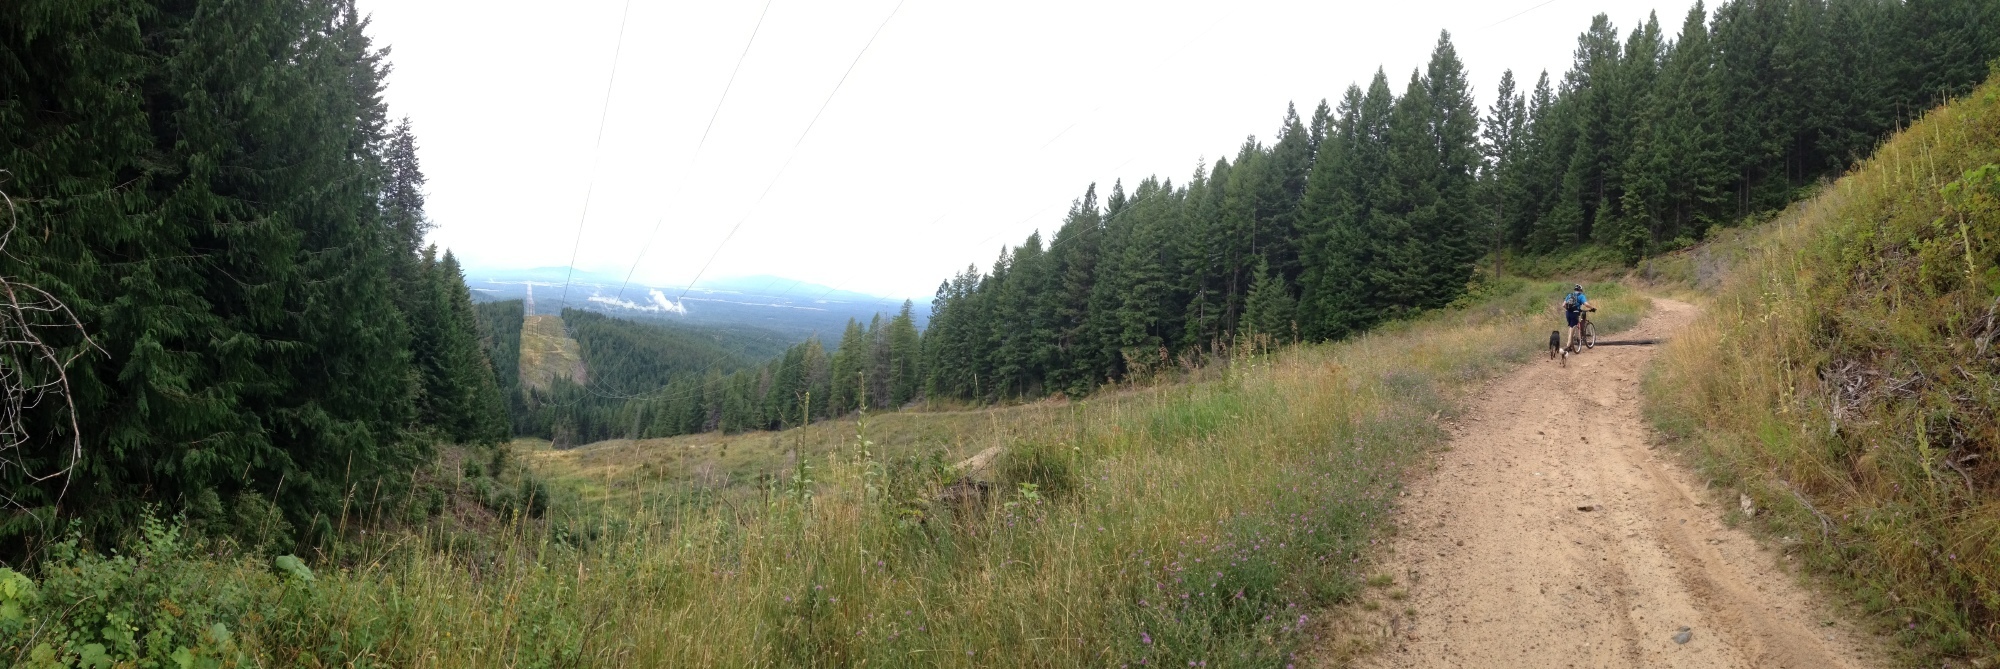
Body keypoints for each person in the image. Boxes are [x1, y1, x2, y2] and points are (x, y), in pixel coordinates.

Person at [1562, 284, 1595, 351]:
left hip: (1568, 313)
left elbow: (1563, 305)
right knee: (1572, 328)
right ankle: (1568, 345)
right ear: (1581, 290)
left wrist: (1569, 309)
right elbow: (1586, 304)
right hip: (1575, 313)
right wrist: (1592, 308)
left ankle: (1577, 338)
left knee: (1572, 326)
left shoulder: (1569, 295)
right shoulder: (1581, 296)